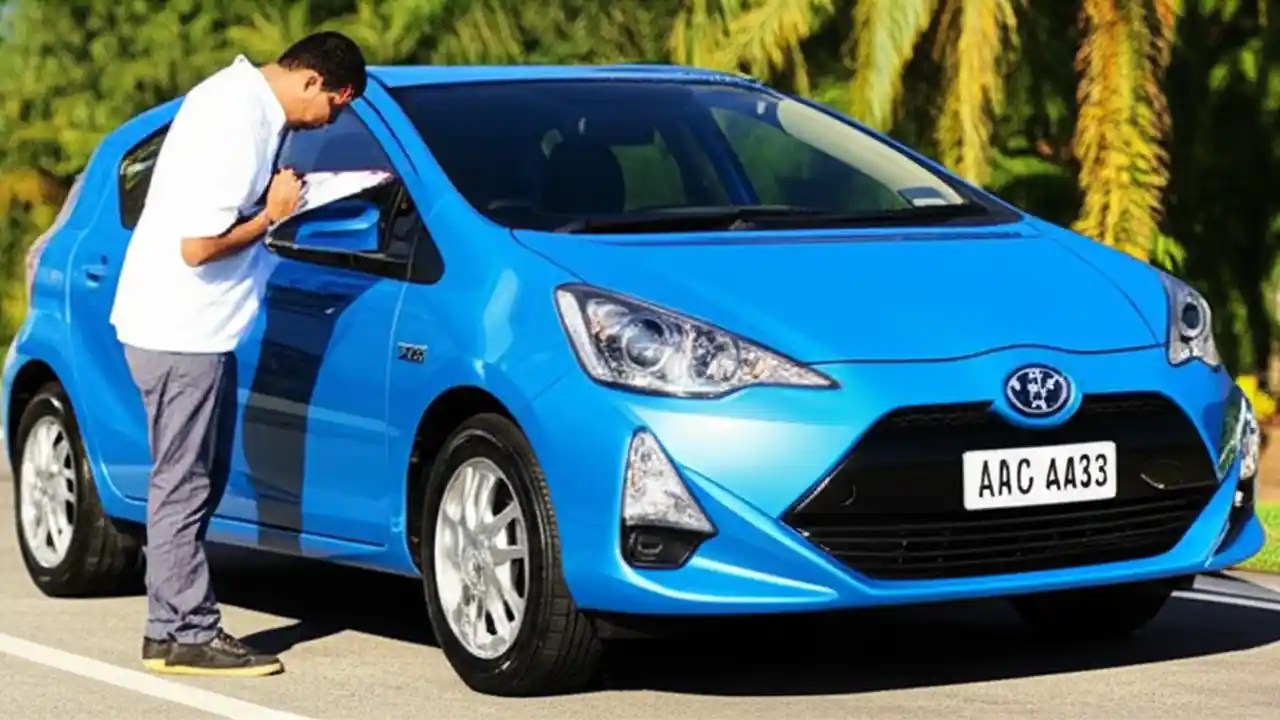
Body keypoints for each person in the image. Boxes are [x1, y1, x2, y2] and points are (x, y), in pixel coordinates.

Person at [108, 31, 367, 677]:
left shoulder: (239, 102)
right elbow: (197, 247)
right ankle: (188, 633)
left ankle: (169, 628)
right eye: (336, 103)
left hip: (191, 328)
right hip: (181, 329)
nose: (332, 118)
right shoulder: (238, 121)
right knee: (184, 484)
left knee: (194, 480)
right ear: (312, 81)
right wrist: (274, 215)